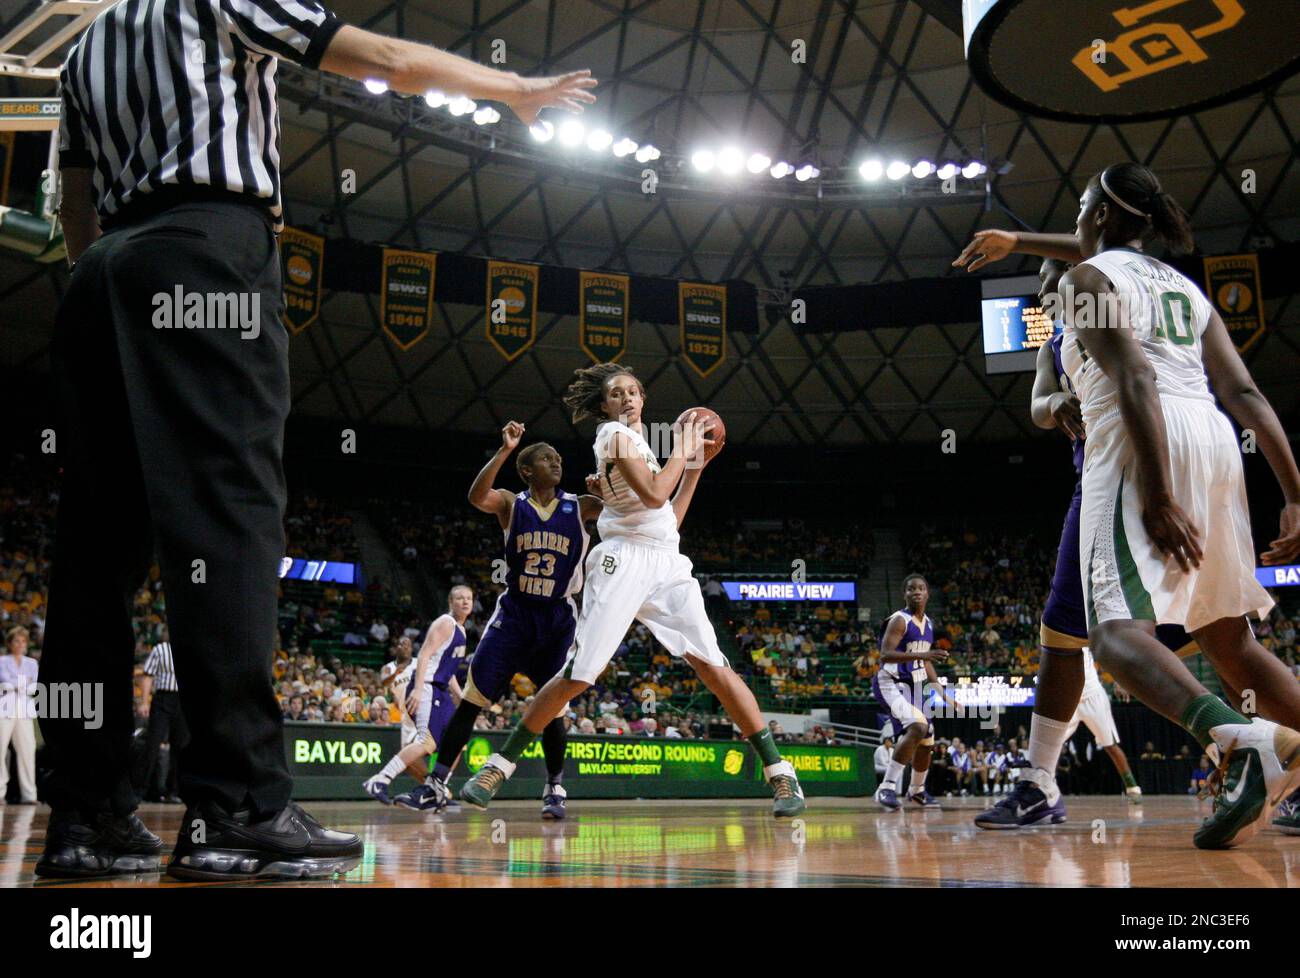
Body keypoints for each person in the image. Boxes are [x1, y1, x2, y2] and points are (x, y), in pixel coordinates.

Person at [39, 0, 596, 880]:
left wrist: (104, 293)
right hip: (207, 248)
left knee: (92, 557)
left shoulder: (88, 48)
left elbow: (72, 200)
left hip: (103, 274)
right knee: (227, 525)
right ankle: (237, 807)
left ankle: (85, 817)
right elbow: (381, 58)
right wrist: (514, 87)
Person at [958, 162, 1300, 848]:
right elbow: (1249, 396)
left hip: (1141, 438)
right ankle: (1281, 743)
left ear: (1103, 219)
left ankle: (1243, 744)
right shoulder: (1183, 287)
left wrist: (1159, 492)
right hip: (1216, 437)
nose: (1076, 221)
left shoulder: (1088, 282)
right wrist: (1295, 495)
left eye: (1083, 207)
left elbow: (1136, 376)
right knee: (1227, 637)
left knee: (1114, 636)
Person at [460, 363, 805, 816]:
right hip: (621, 559)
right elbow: (656, 494)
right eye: (616, 393)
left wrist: (696, 469)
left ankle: (781, 774)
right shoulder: (611, 436)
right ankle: (499, 765)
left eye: (633, 391)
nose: (626, 397)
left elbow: (667, 520)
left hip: (666, 560)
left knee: (713, 666)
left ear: (643, 400)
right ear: (605, 405)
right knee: (580, 672)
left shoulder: (643, 447)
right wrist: (684, 448)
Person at [975, 258, 1194, 829]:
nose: (1047, 289)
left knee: (1213, 632)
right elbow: (1037, 406)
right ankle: (1040, 781)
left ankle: (1251, 744)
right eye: (1042, 284)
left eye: (1055, 278)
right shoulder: (1053, 347)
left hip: (1149, 471)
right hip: (1112, 477)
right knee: (1067, 631)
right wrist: (1053, 406)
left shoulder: (1123, 317)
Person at [393, 422, 601, 817]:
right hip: (516, 614)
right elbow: (476, 496)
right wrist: (504, 450)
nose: (556, 462)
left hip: (558, 617)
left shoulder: (582, 505)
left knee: (553, 709)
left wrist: (610, 483)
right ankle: (437, 786)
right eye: (546, 458)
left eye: (558, 458)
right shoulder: (511, 502)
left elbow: (625, 513)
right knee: (471, 702)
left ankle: (555, 788)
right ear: (526, 470)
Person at [363, 587, 472, 804]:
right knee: (426, 743)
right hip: (428, 686)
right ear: (451, 602)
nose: (465, 602)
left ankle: (436, 789)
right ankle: (380, 779)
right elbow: (424, 655)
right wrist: (419, 688)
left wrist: (460, 696)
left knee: (456, 740)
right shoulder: (445, 622)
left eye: (469, 598)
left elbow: (447, 669)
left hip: (441, 689)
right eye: (460, 598)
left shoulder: (462, 631)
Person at [871, 575, 953, 810]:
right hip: (891, 683)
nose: (916, 592)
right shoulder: (899, 620)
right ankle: (886, 788)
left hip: (914, 687)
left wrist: (941, 691)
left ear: (928, 594)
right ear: (904, 594)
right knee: (918, 727)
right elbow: (885, 654)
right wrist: (924, 655)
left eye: (921, 588)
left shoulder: (927, 623)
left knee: (928, 739)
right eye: (911, 589)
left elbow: (926, 661)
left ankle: (917, 790)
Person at [132, 626, 189, 804]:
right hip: (163, 699)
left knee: (180, 748)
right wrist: (144, 701)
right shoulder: (160, 649)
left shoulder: (189, 650)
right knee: (152, 746)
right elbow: (147, 676)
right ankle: (140, 790)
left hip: (182, 701)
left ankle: (173, 791)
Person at [0, 626, 39, 806]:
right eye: (16, 640)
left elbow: (35, 686)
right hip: (5, 707)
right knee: (0, 750)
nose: (20, 644)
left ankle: (29, 795)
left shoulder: (31, 663)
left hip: (24, 709)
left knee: (27, 750)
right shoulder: (2, 661)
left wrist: (17, 685)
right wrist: (23, 683)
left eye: (23, 641)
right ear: (9, 643)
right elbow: (5, 682)